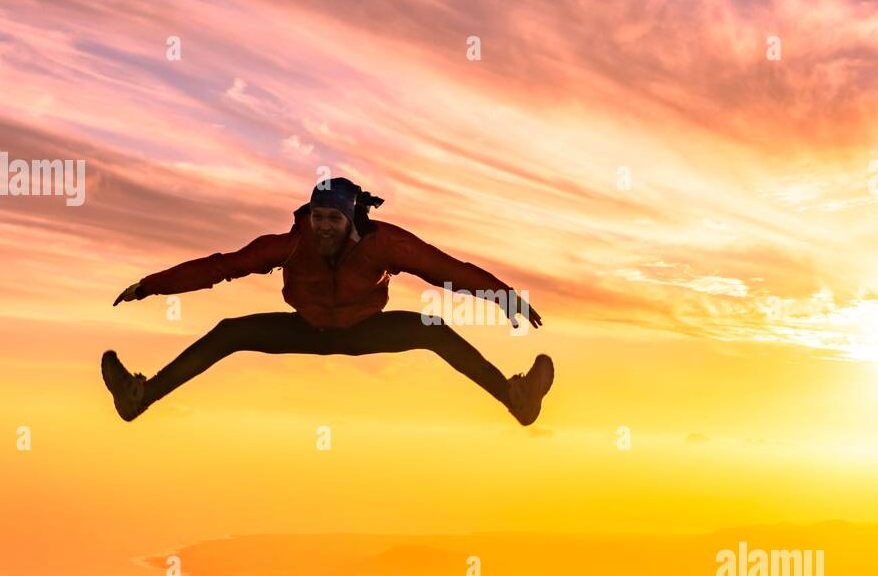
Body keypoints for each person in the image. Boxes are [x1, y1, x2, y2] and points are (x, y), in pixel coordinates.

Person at [101, 177, 554, 425]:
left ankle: (515, 399)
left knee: (432, 329)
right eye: (317, 217)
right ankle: (140, 397)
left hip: (364, 330)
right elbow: (220, 267)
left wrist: (506, 299)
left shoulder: (386, 245)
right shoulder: (289, 244)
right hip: (308, 329)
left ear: (351, 218)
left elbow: (449, 272)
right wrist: (151, 285)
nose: (323, 227)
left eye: (333, 218)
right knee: (229, 333)